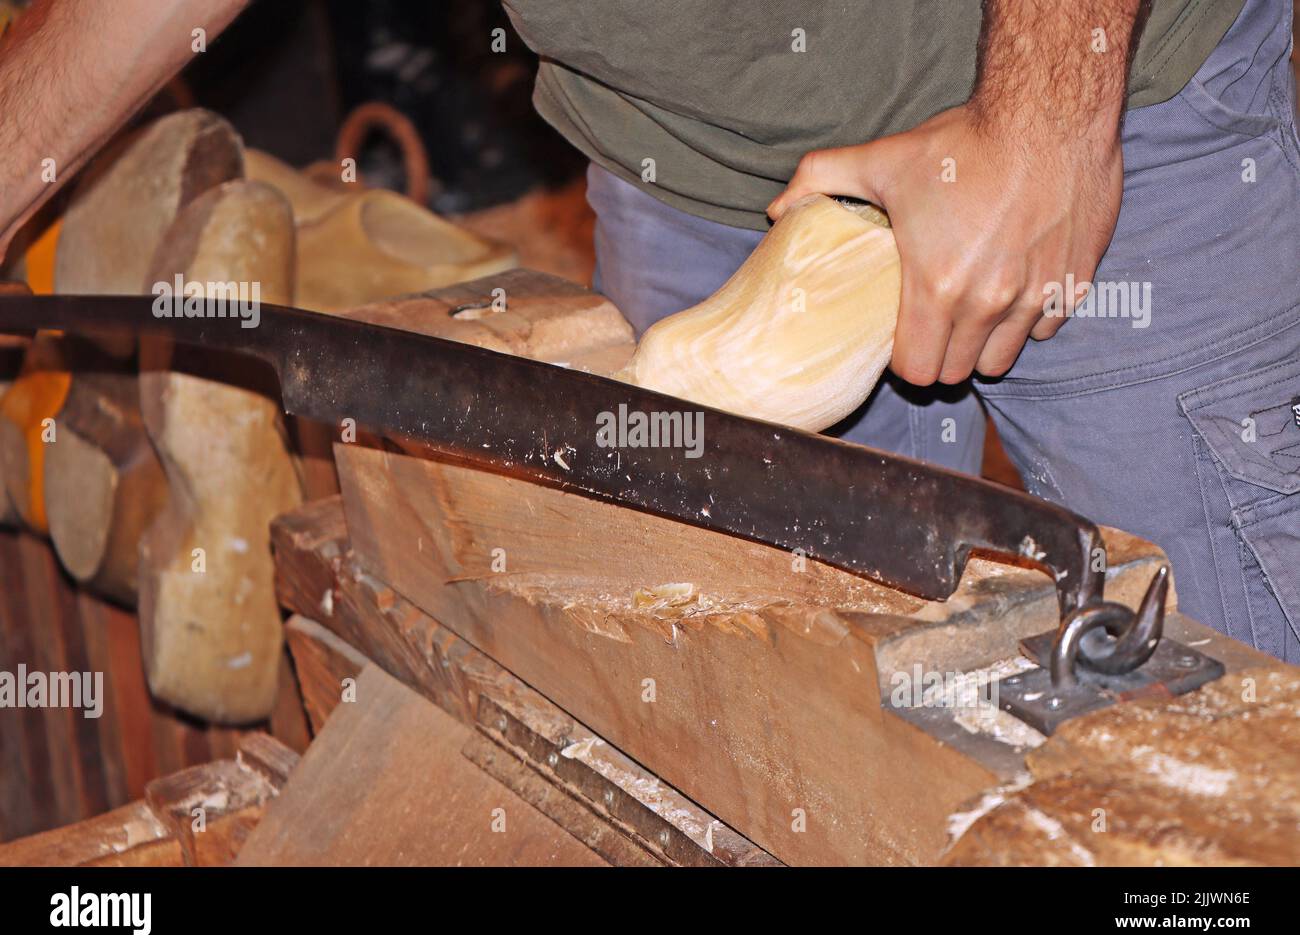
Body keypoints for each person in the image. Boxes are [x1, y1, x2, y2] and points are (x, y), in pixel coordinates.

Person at [1, 1, 1296, 661]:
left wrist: (1052, 117)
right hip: (679, 148)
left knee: (1231, 727)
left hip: (1106, 100)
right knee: (745, 717)